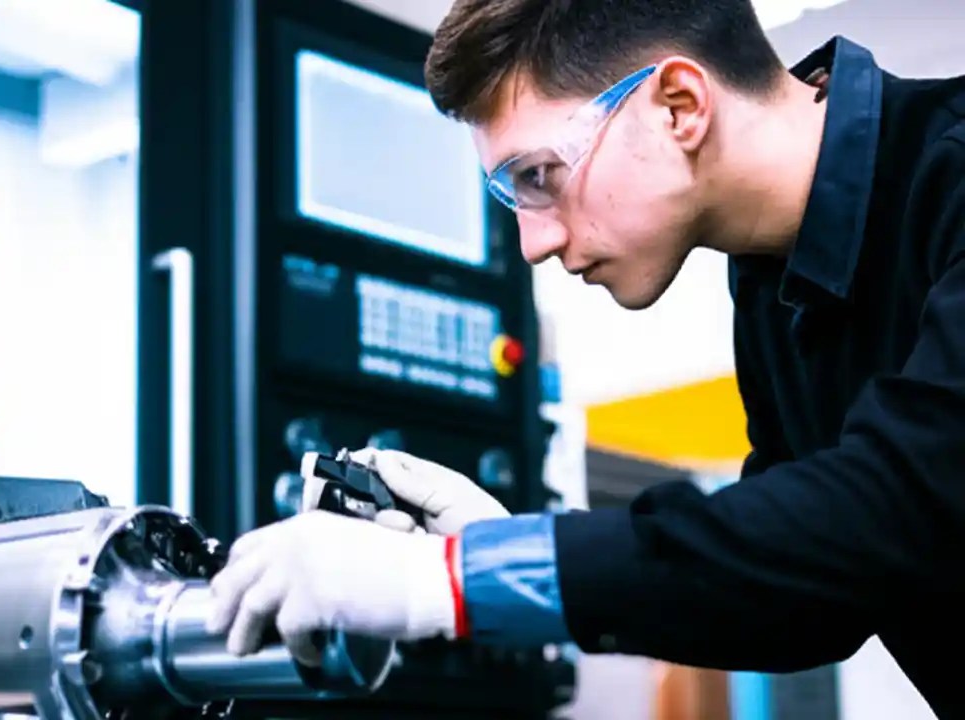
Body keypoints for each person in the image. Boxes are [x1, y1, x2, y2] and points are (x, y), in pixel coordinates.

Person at [206, 0, 965, 714]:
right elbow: (804, 599)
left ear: (679, 106)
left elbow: (893, 509)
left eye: (540, 176)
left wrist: (446, 580)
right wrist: (498, 548)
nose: (534, 244)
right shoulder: (776, 282)